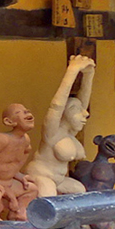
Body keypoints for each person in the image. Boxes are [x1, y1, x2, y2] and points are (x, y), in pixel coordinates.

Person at [25, 55, 97, 198]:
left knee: (80, 192)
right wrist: (72, 70)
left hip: (59, 179)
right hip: (41, 176)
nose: (85, 114)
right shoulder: (52, 132)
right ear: (65, 114)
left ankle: (76, 221)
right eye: (77, 110)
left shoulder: (70, 133)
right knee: (49, 197)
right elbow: (57, 105)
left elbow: (83, 101)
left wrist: (89, 75)